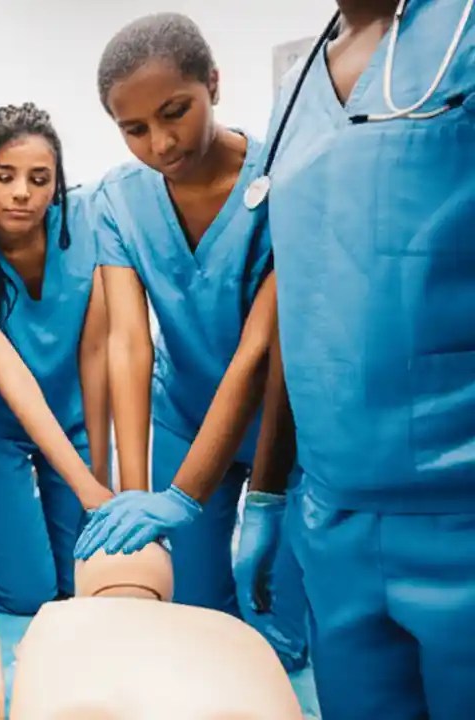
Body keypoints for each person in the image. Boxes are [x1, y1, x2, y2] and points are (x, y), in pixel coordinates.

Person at [257, 1, 475, 716]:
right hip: (335, 519)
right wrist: (265, 494)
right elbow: (302, 294)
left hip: (459, 513)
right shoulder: (295, 91)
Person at [71, 13, 287, 618]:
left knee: (281, 624)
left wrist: (262, 500)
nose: (160, 144)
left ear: (213, 84)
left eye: (175, 112)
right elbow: (129, 344)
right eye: (133, 129)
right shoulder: (118, 199)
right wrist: (137, 492)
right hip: (183, 415)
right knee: (192, 611)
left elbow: (261, 353)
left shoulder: (282, 176)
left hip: (283, 424)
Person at [0, 102, 112, 614]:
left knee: (78, 584)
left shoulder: (85, 222)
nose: (22, 193)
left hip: (72, 414)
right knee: (27, 595)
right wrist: (89, 490)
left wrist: (100, 476)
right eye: (5, 176)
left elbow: (99, 349)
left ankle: (6, 538)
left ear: (56, 184)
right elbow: (12, 378)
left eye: (39, 179)